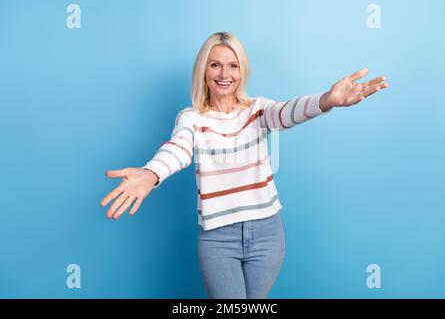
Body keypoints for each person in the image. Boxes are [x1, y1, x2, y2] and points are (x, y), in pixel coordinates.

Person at [100, 32, 388, 298]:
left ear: (242, 71)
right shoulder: (191, 119)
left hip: (267, 234)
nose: (224, 74)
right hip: (218, 239)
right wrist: (152, 173)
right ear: (203, 71)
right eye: (215, 65)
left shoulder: (257, 110)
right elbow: (179, 149)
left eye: (233, 66)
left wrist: (327, 100)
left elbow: (289, 112)